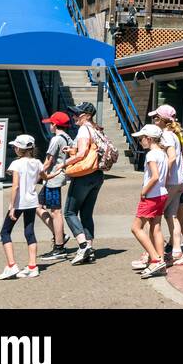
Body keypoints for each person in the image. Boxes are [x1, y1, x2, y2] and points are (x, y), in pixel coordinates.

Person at [61, 102, 104, 265]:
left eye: (77, 114)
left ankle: (83, 246)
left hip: (84, 175)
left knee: (69, 212)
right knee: (86, 213)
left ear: (86, 116)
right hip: (97, 174)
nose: (74, 117)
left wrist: (63, 163)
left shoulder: (84, 129)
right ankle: (90, 250)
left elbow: (82, 154)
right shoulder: (96, 129)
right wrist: (72, 150)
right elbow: (90, 151)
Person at [0, 135, 44, 280]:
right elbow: (44, 176)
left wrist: (12, 206)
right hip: (32, 201)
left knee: (5, 232)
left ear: (19, 149)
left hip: (19, 202)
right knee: (29, 232)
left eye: (15, 147)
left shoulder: (16, 164)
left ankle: (11, 265)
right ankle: (32, 266)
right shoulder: (37, 162)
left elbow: (15, 186)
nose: (14, 149)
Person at [130, 124, 169, 278]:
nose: (140, 142)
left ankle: (155, 259)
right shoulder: (163, 154)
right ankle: (161, 260)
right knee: (156, 227)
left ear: (149, 138)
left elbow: (155, 176)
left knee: (136, 228)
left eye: (141, 139)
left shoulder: (151, 154)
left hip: (151, 195)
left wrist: (144, 191)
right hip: (161, 194)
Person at [151, 107, 183, 265]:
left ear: (162, 119)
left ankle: (153, 253)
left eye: (156, 117)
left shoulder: (165, 135)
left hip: (171, 181)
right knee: (172, 215)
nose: (154, 120)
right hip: (179, 180)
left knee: (154, 217)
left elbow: (171, 157)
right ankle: (177, 251)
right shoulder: (174, 134)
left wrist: (163, 177)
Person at [37, 112, 74, 261]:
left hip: (53, 178)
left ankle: (59, 246)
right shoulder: (68, 138)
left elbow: (48, 161)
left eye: (50, 124)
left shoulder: (56, 139)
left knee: (55, 212)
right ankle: (60, 235)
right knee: (38, 205)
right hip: (58, 177)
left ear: (55, 125)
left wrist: (37, 176)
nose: (49, 126)